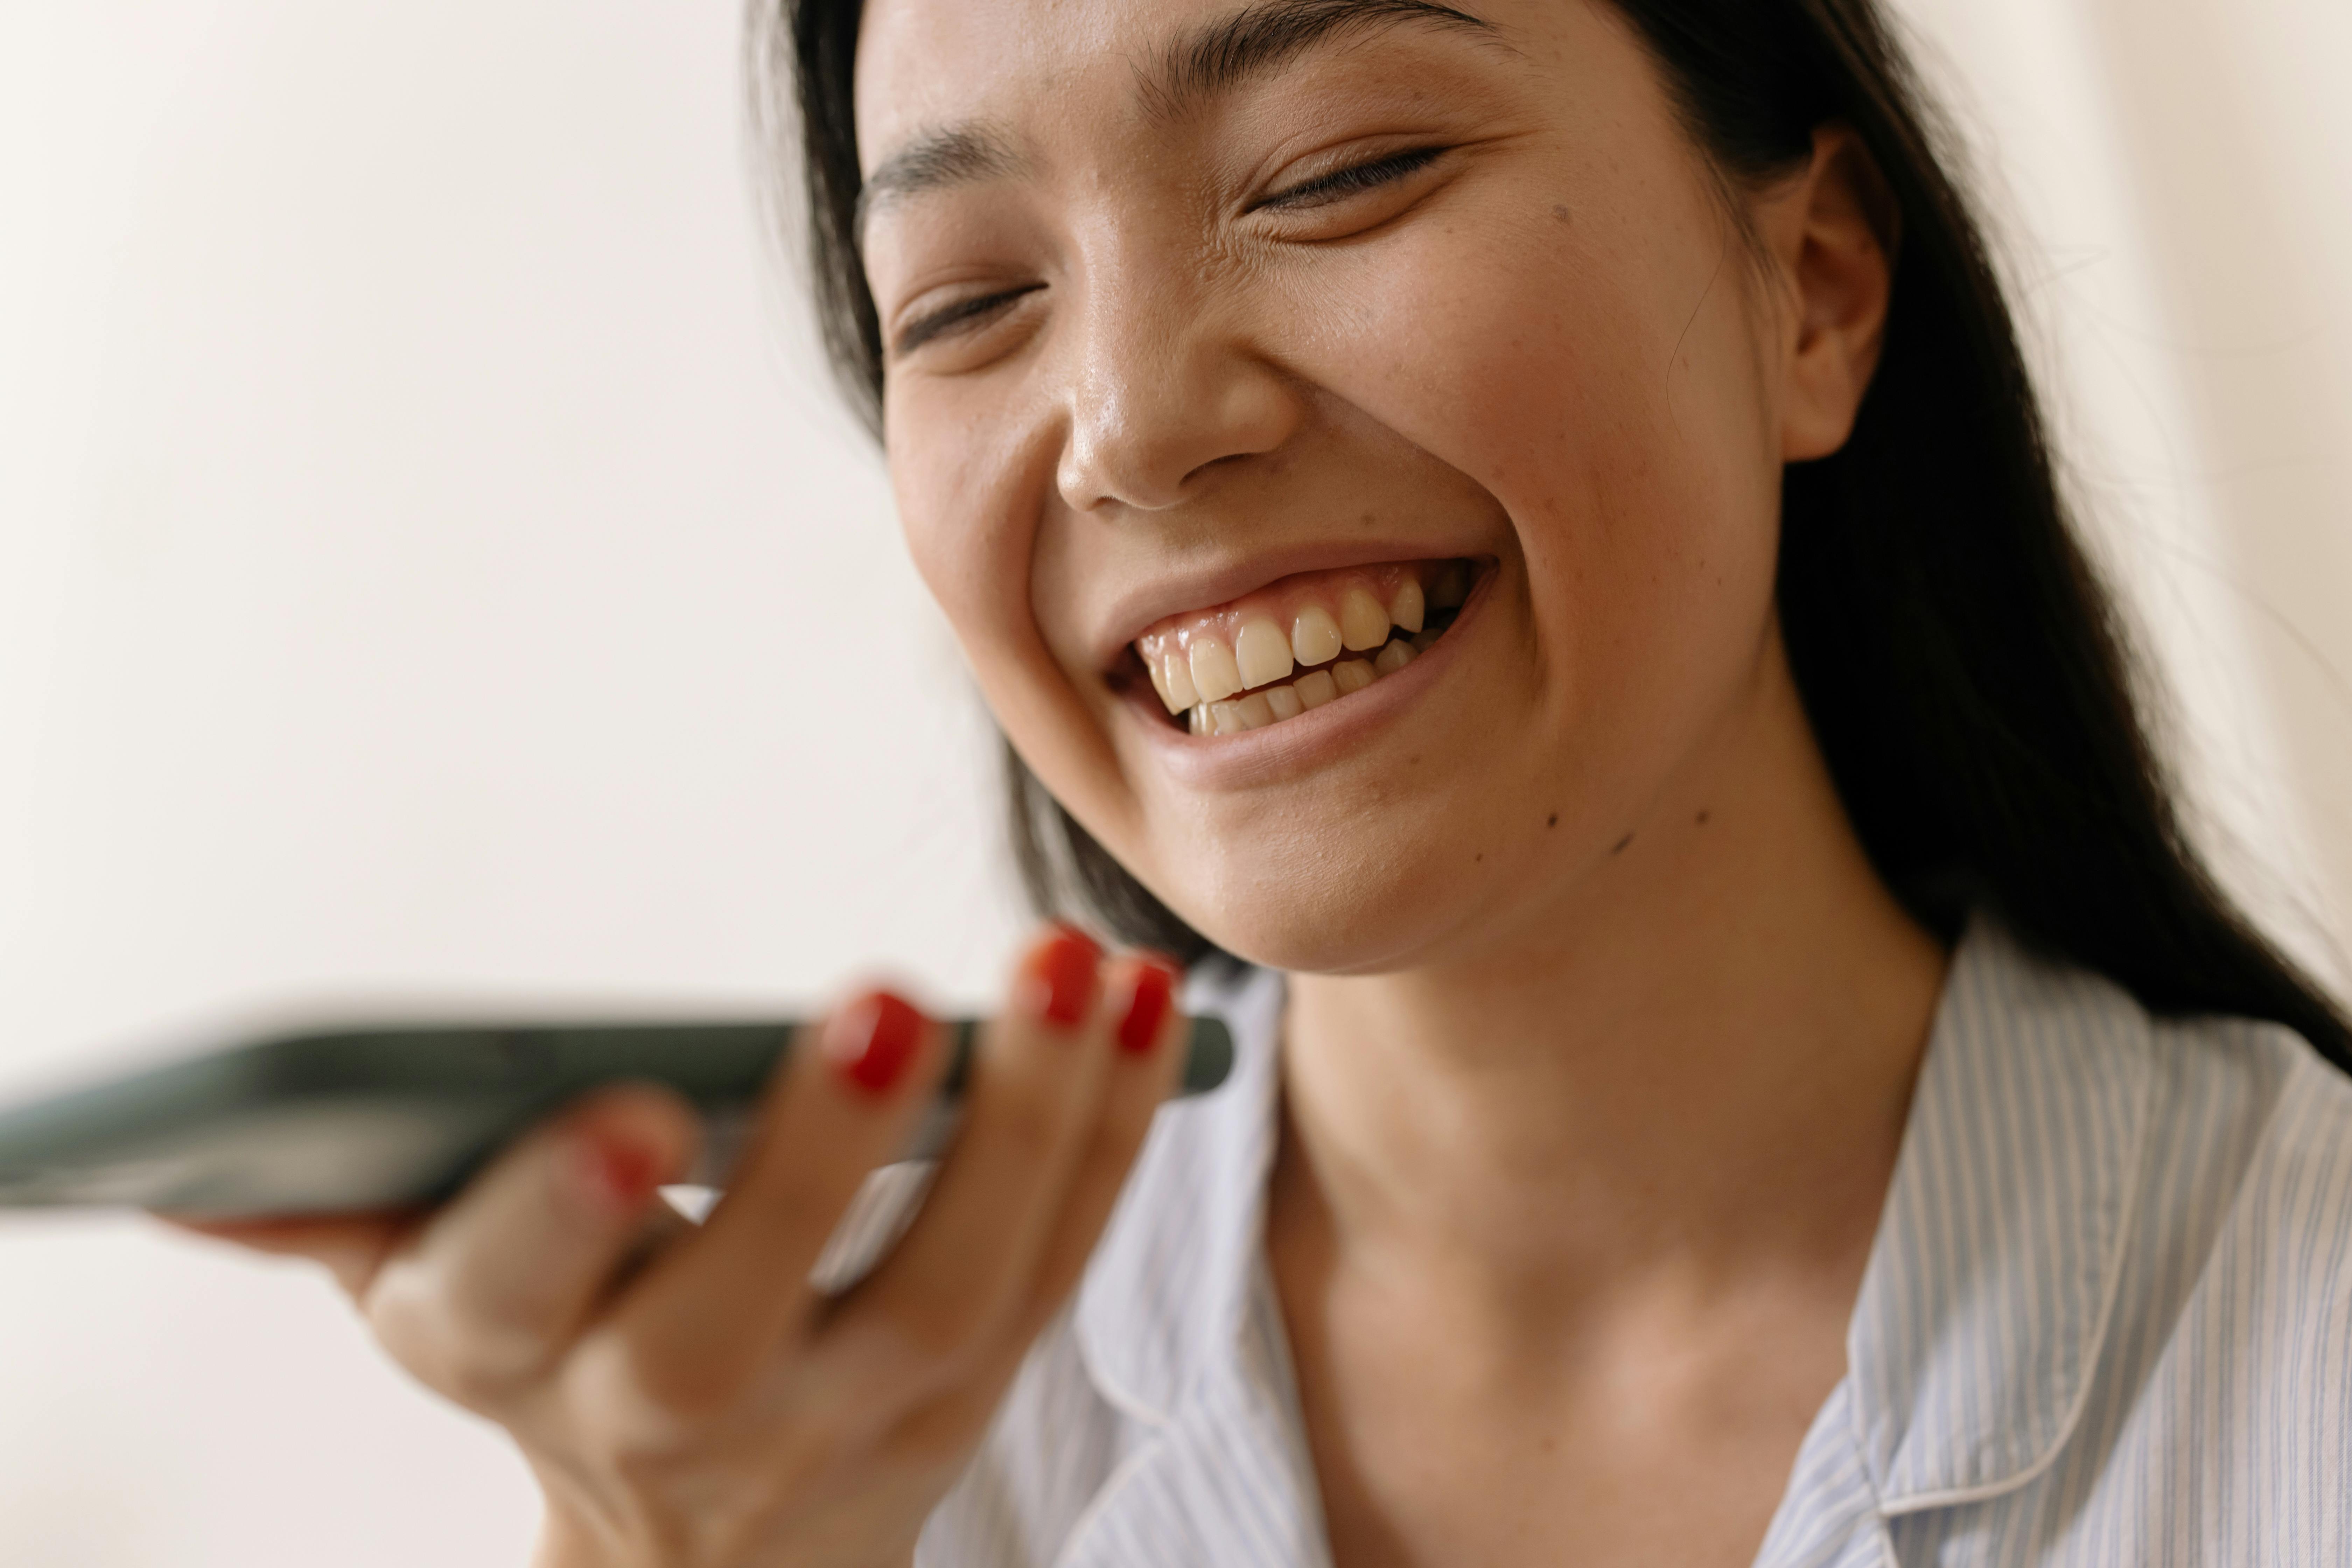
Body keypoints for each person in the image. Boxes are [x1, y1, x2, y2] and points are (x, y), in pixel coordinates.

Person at [200, 0, 2352, 1562]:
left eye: (1339, 171)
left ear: (1809, 285)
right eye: (968, 305)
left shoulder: (2297, 1334)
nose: (1134, 422)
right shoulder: (806, 1453)